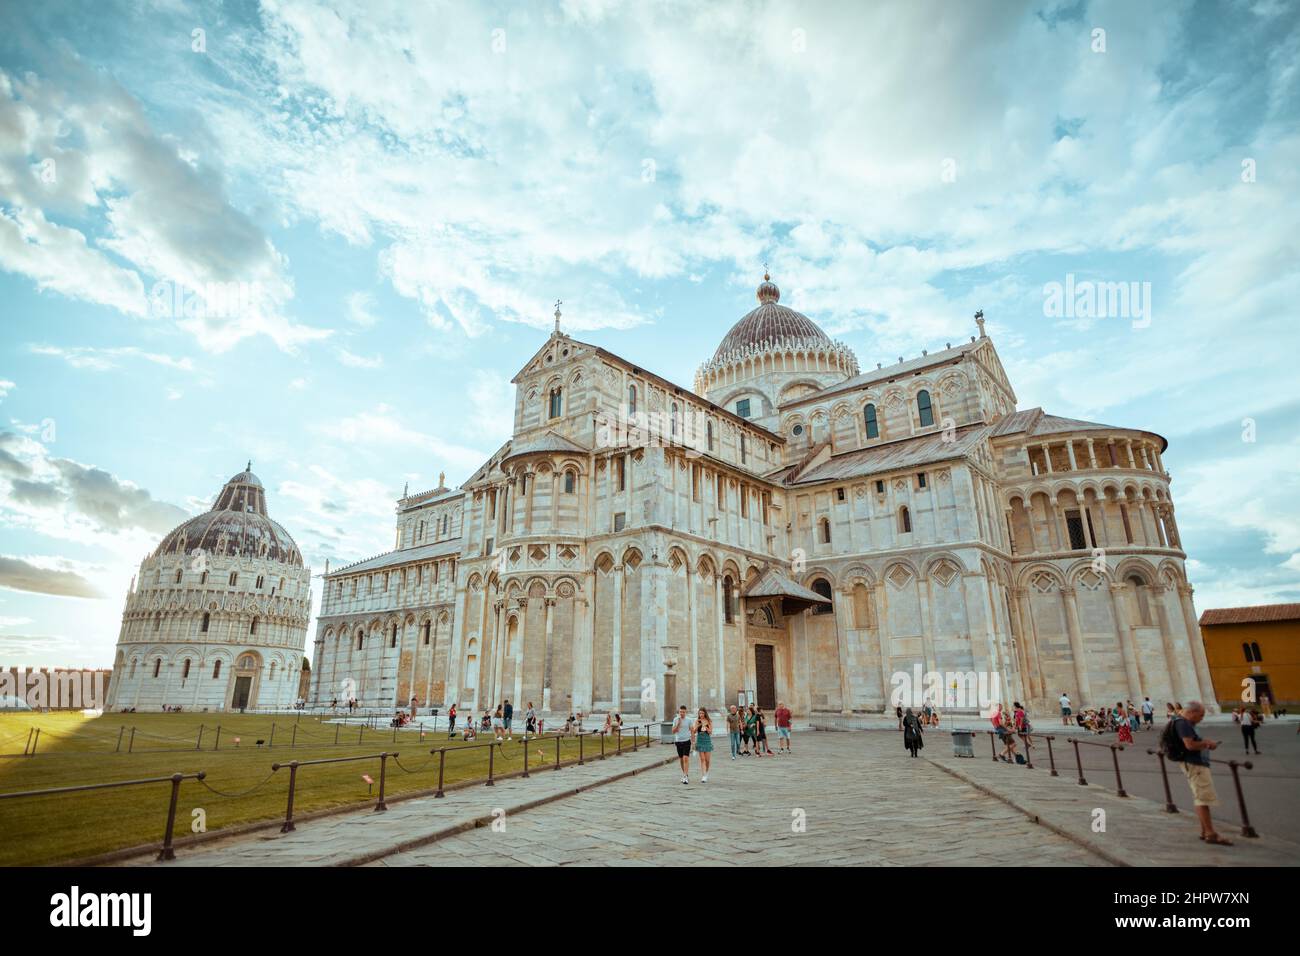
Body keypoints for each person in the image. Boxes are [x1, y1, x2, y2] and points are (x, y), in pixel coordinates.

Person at [1169, 700, 1232, 845]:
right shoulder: (1183, 723)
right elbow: (1190, 745)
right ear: (1191, 712)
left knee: (1200, 797)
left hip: (1192, 764)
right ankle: (1210, 833)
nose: (1202, 718)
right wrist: (1207, 743)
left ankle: (1205, 831)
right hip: (1195, 765)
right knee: (1202, 798)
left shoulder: (1179, 721)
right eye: (1201, 715)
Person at [672, 705, 694, 784]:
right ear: (679, 712)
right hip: (678, 741)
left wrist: (693, 741)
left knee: (685, 758)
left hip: (686, 741)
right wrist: (678, 724)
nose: (682, 713)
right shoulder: (675, 719)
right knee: (681, 759)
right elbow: (673, 731)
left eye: (683, 712)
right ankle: (685, 774)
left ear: (686, 712)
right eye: (680, 712)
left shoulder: (689, 720)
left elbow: (692, 731)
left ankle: (685, 776)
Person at [693, 708, 714, 782]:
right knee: (702, 759)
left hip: (707, 740)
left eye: (702, 713)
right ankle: (704, 775)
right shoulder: (697, 721)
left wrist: (706, 726)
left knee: (707, 760)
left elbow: (710, 732)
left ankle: (706, 772)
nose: (701, 715)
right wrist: (698, 725)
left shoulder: (709, 721)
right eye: (700, 713)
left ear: (705, 713)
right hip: (700, 740)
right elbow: (694, 731)